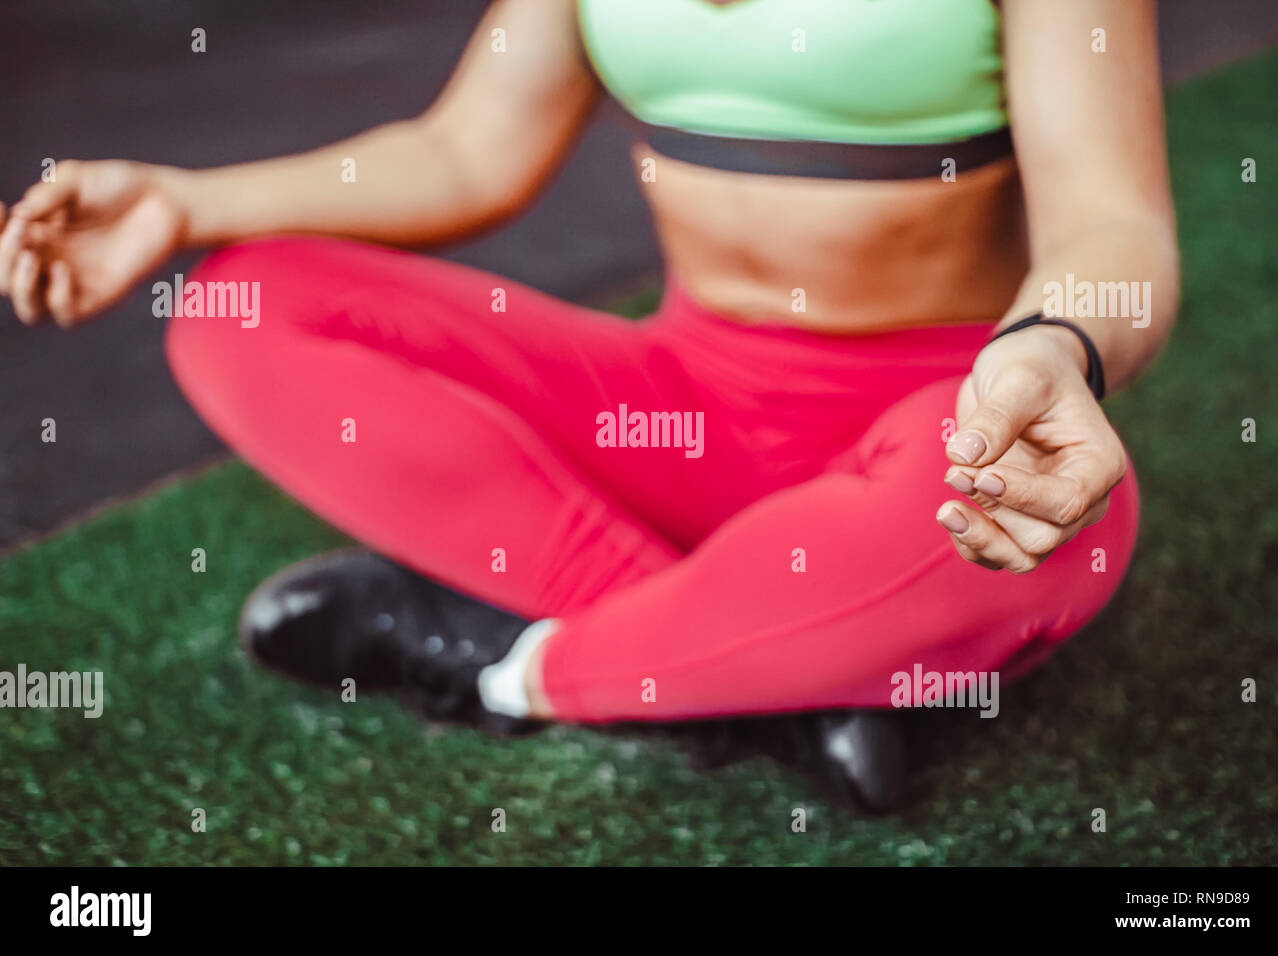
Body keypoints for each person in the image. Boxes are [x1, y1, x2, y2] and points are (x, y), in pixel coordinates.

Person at [0, 0, 1177, 813]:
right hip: (676, 413)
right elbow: (465, 153)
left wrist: (1055, 346)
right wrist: (183, 200)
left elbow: (1110, 227)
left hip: (936, 422)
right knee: (242, 308)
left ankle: (519, 665)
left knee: (1044, 523)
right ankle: (752, 661)